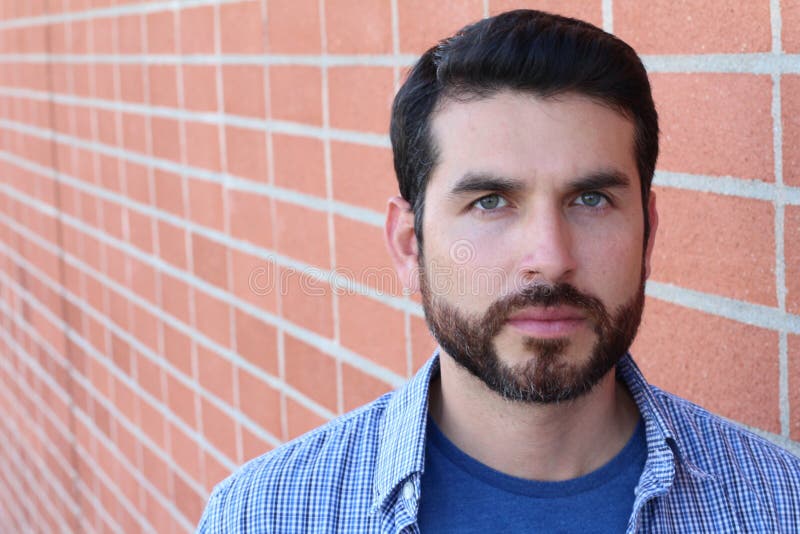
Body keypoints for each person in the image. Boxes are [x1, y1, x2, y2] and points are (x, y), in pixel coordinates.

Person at [198, 10, 800, 532]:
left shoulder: (780, 504)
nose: (550, 256)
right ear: (411, 246)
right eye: (490, 202)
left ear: (648, 235)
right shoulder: (263, 516)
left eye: (590, 199)